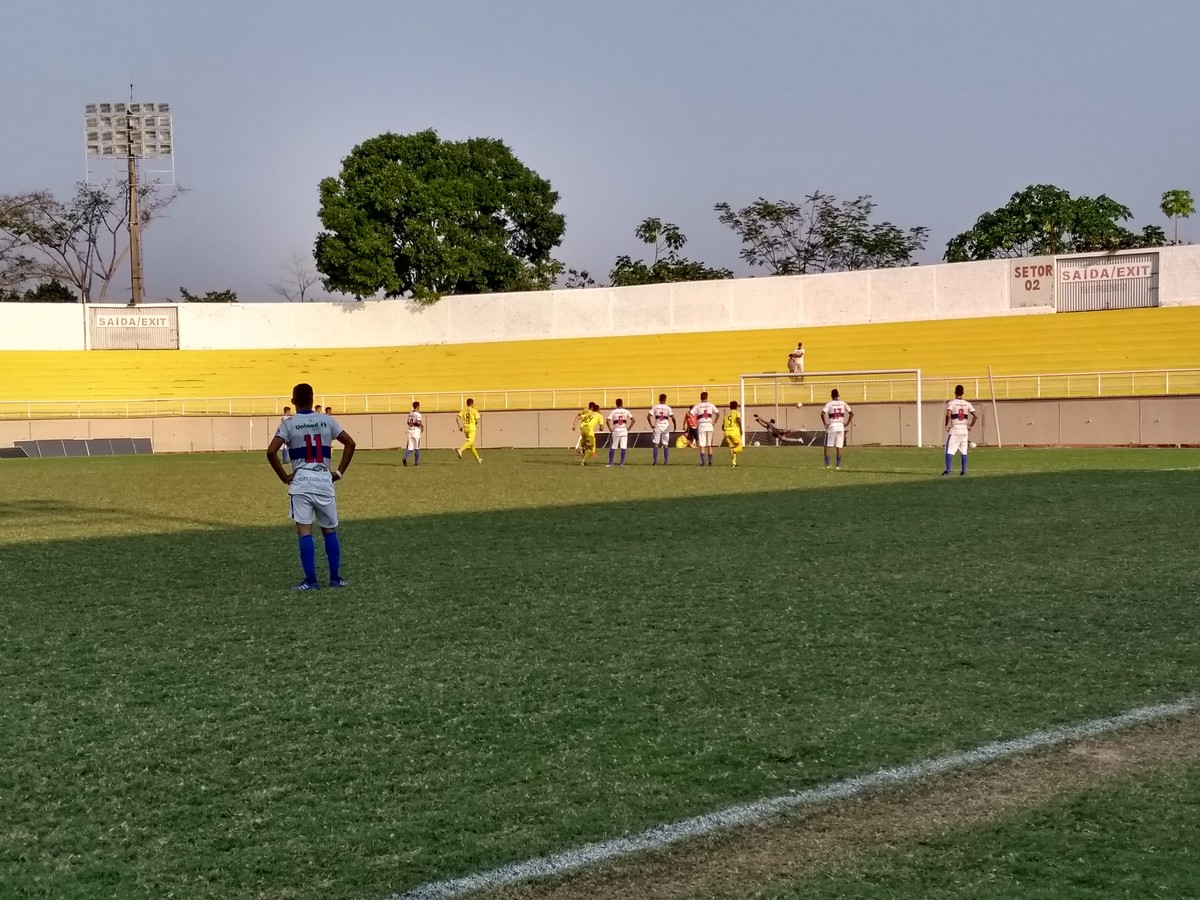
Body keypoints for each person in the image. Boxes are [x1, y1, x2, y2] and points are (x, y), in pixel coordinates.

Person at [266, 382, 355, 591]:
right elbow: (350, 443)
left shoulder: (289, 424)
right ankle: (335, 578)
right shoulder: (327, 420)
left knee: (305, 532)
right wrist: (339, 472)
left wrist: (283, 476)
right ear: (313, 399)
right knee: (329, 530)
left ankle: (311, 581)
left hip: (301, 481)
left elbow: (271, 452)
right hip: (323, 480)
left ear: (293, 401)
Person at [943, 384, 978, 476]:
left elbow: (948, 414)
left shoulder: (952, 403)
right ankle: (964, 471)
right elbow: (975, 416)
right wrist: (971, 426)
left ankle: (948, 470)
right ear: (963, 393)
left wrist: (946, 424)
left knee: (949, 450)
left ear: (955, 392)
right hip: (964, 430)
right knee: (964, 450)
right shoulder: (967, 404)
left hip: (955, 429)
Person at [820, 388, 853, 470]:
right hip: (841, 426)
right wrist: (847, 423)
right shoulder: (843, 403)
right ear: (838, 395)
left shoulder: (829, 404)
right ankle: (838, 465)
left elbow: (822, 413)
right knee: (839, 446)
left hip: (832, 425)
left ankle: (827, 465)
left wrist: (825, 423)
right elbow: (852, 413)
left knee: (827, 446)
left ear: (831, 396)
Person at [690, 391, 720, 466]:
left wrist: (694, 423)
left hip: (701, 426)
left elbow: (690, 414)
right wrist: (714, 422)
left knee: (702, 444)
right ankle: (710, 462)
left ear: (700, 398)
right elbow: (718, 414)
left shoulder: (697, 406)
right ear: (707, 397)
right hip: (709, 425)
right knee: (709, 444)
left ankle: (703, 461)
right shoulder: (710, 405)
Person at [647, 393, 676, 465]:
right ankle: (666, 461)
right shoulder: (668, 408)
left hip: (657, 426)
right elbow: (673, 418)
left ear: (659, 399)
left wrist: (651, 425)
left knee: (656, 444)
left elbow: (648, 416)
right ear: (665, 399)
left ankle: (655, 461)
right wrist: (675, 425)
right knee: (665, 444)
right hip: (665, 427)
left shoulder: (655, 407)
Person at [606, 398, 635, 467]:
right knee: (623, 447)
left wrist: (610, 429)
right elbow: (633, 420)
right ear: (622, 403)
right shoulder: (626, 411)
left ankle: (611, 463)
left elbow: (607, 420)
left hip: (616, 430)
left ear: (616, 404)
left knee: (613, 447)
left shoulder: (613, 411)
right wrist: (629, 428)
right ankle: (622, 463)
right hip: (624, 430)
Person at [456, 398, 481, 463]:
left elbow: (457, 418)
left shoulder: (463, 410)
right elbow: (477, 420)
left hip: (465, 429)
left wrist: (459, 427)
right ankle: (460, 450)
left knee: (471, 444)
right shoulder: (474, 410)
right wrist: (475, 423)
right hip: (472, 428)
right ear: (472, 404)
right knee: (470, 442)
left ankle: (478, 459)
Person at [722, 400, 744, 466]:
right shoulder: (737, 413)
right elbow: (738, 419)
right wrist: (740, 428)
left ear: (730, 407)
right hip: (734, 432)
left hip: (726, 433)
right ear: (736, 406)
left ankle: (733, 463)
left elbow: (722, 427)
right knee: (740, 447)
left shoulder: (726, 415)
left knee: (733, 447)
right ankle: (733, 451)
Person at [403, 400, 423, 467]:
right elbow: (418, 422)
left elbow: (408, 422)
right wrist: (422, 426)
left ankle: (405, 458)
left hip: (410, 431)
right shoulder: (418, 414)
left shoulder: (410, 413)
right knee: (417, 448)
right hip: (416, 432)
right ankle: (416, 463)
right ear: (417, 406)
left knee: (410, 448)